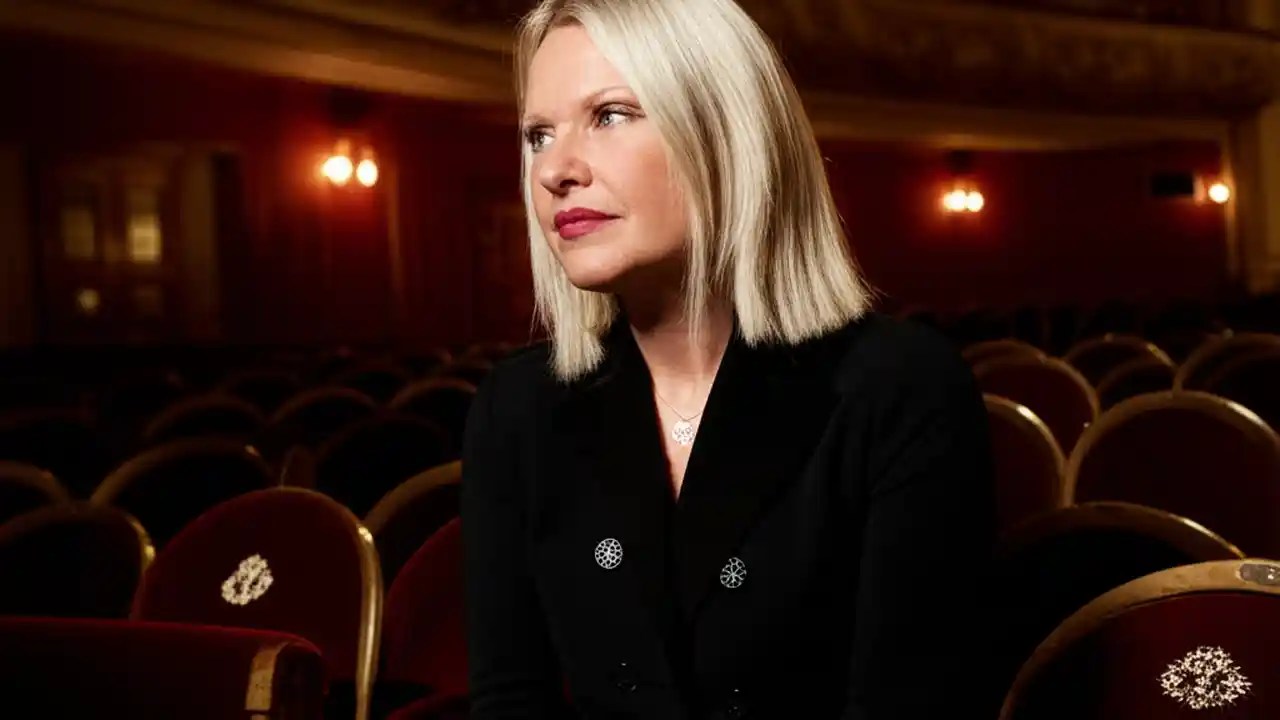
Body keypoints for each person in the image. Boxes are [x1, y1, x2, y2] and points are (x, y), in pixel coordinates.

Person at [462, 0, 997, 717]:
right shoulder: (515, 405)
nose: (555, 169)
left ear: (724, 133)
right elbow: (508, 699)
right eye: (537, 134)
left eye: (611, 115)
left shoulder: (899, 389)